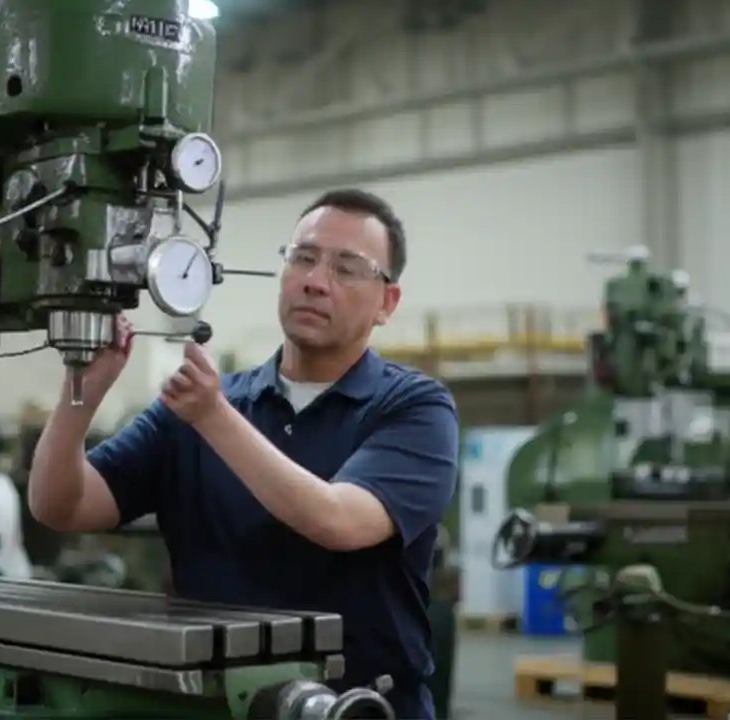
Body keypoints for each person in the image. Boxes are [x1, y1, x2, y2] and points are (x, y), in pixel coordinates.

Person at [28, 188, 460, 719]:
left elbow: (339, 520)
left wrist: (213, 417)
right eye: (302, 257)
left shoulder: (414, 407)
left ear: (387, 302)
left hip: (356, 708)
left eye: (347, 269)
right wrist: (82, 389)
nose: (315, 281)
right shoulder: (203, 404)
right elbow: (60, 505)